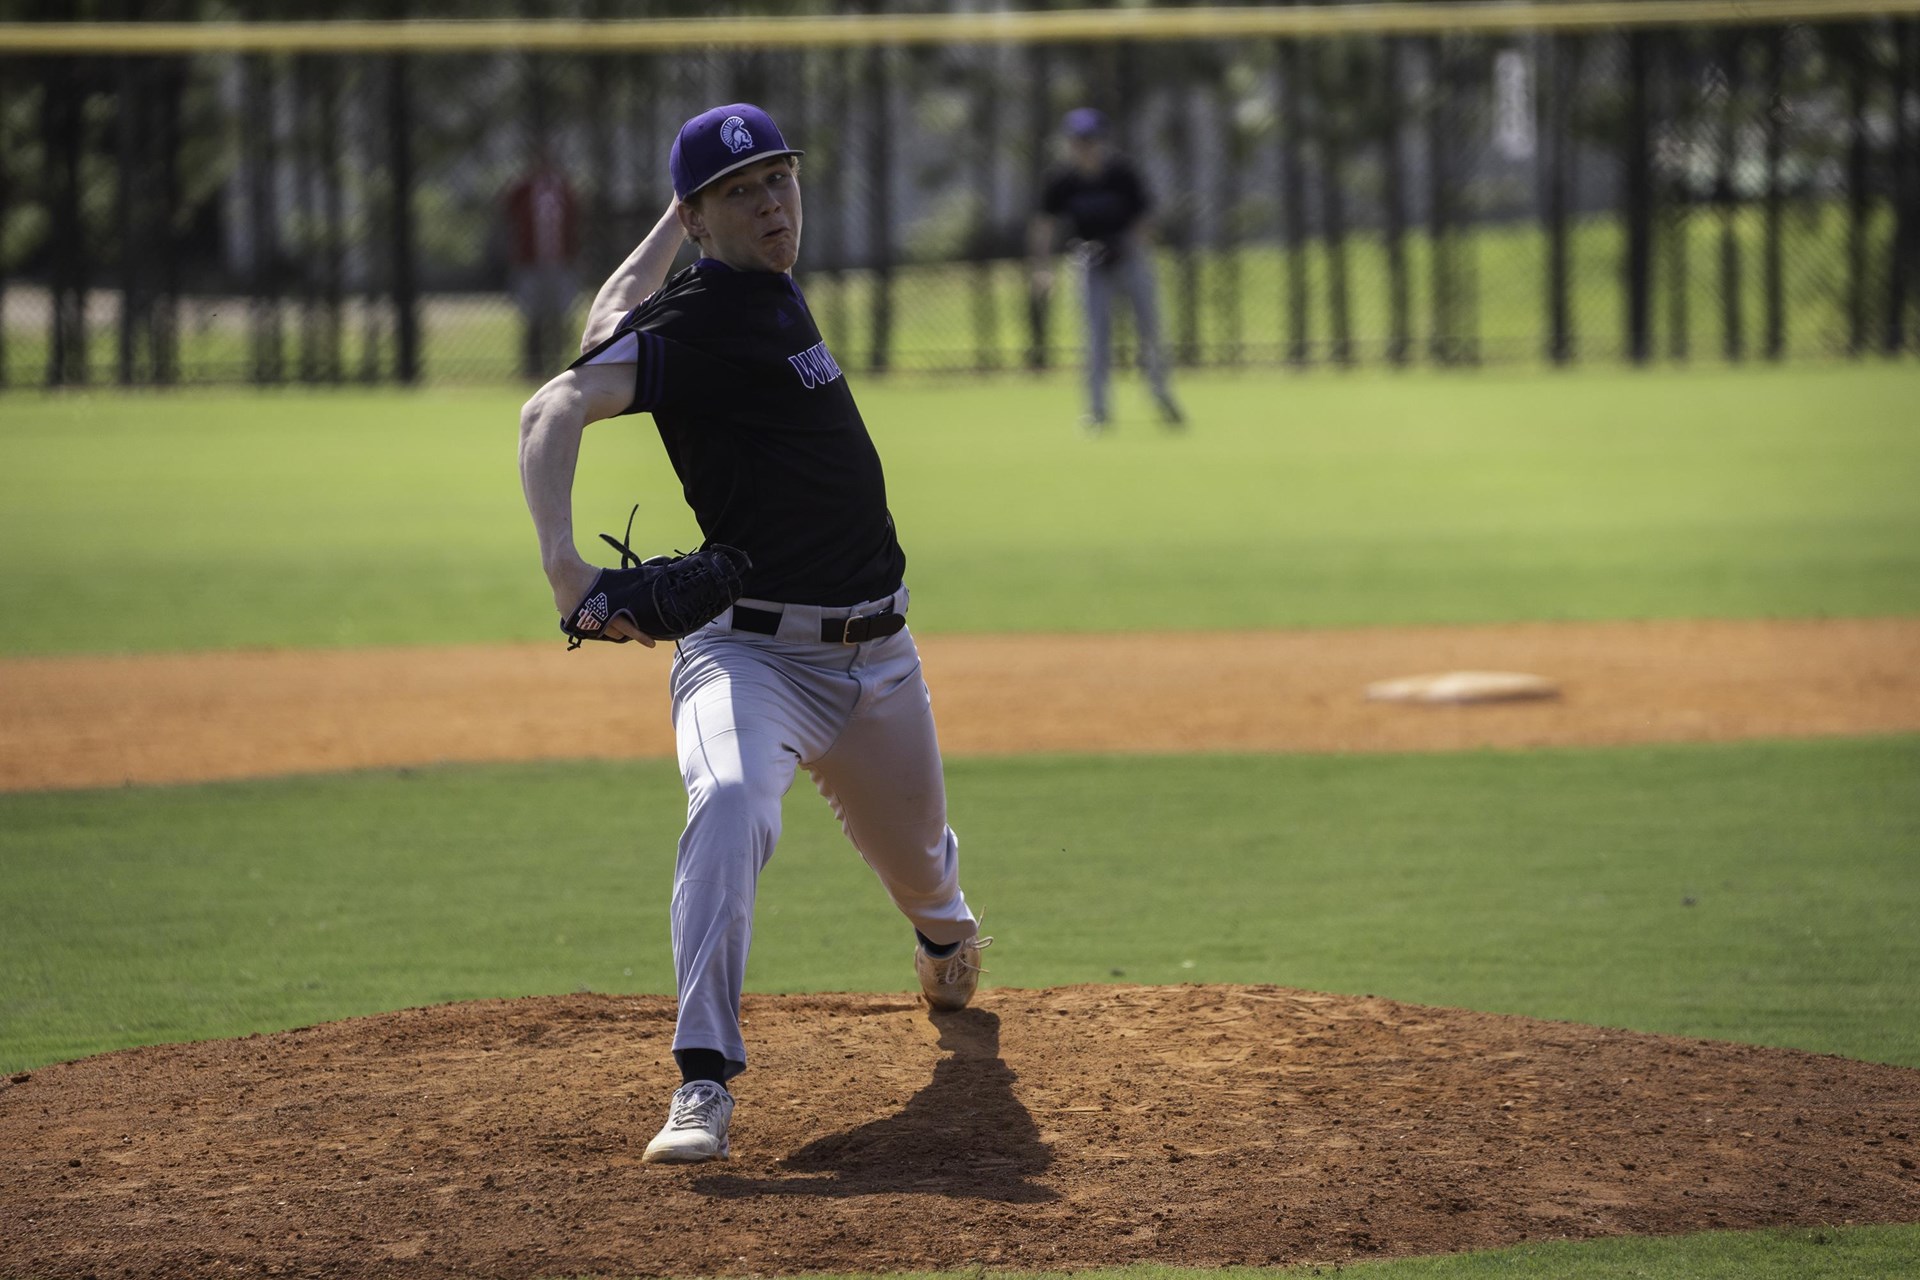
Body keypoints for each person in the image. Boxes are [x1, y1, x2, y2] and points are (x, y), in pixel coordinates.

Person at [517, 103, 991, 1166]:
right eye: (743, 193)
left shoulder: (754, 285)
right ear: (703, 215)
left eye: (781, 180)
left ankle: (942, 935)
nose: (775, 205)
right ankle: (702, 1078)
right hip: (751, 655)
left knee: (926, 876)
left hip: (880, 659)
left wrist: (679, 224)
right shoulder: (710, 316)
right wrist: (567, 569)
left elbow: (608, 317)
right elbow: (552, 403)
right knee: (729, 802)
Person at [1028, 107, 1184, 434]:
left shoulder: (1121, 173)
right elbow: (1044, 225)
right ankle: (1098, 412)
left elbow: (1147, 218)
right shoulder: (1062, 180)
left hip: (1130, 258)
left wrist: (1126, 243)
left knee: (1151, 330)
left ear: (1100, 141)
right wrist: (1042, 269)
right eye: (1078, 140)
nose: (1084, 146)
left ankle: (1161, 396)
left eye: (1089, 140)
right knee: (1095, 339)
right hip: (1089, 261)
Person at [503, 147, 581, 379]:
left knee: (560, 316)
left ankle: (559, 365)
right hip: (530, 265)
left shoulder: (564, 189)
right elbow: (508, 217)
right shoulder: (523, 189)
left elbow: (576, 224)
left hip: (561, 264)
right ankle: (532, 367)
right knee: (532, 317)